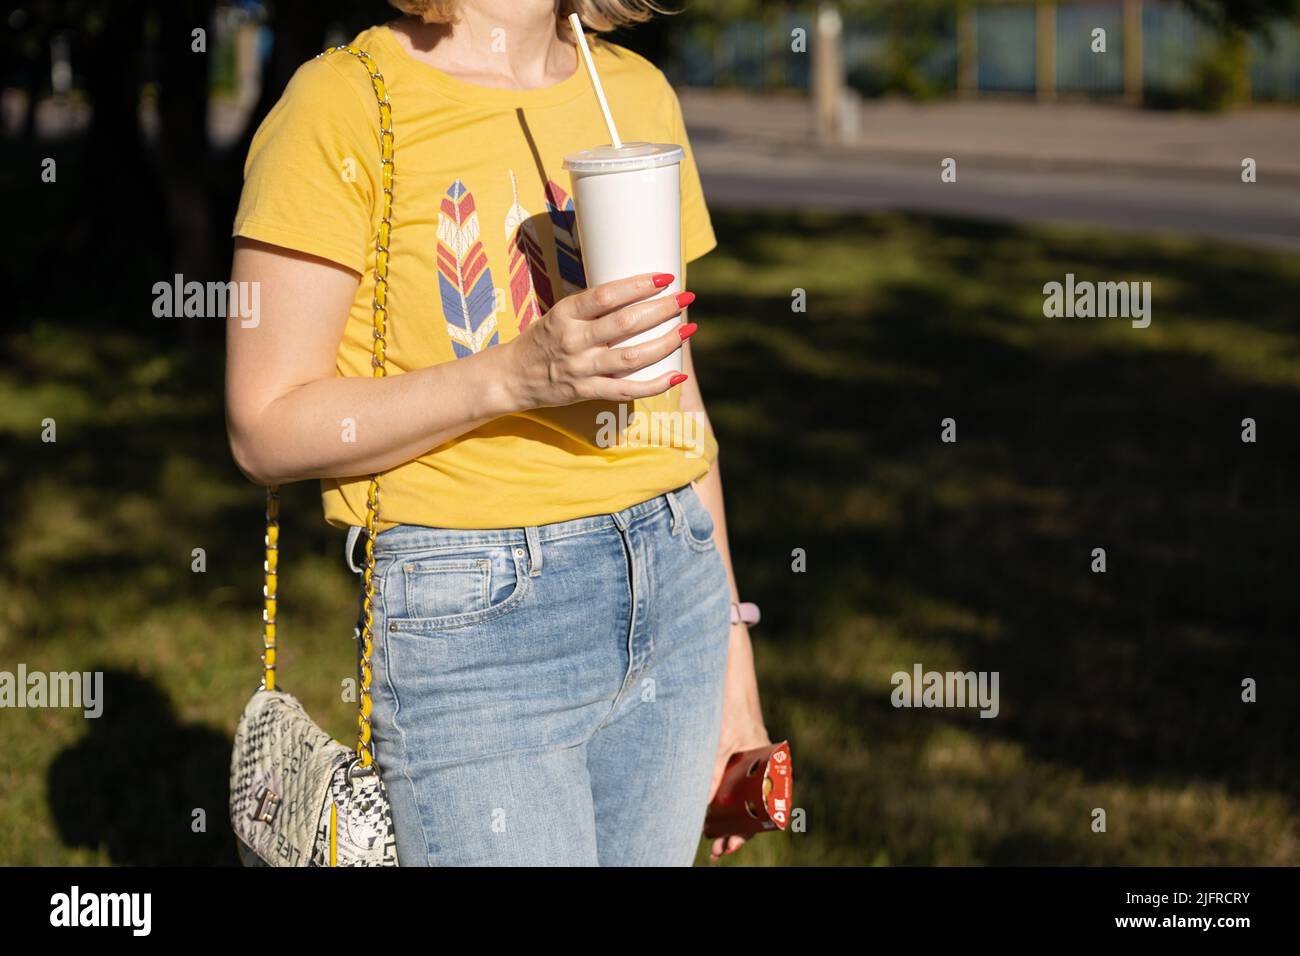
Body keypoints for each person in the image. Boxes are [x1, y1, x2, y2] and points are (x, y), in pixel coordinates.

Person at [225, 0, 769, 866]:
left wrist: (734, 666)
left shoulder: (636, 94)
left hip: (676, 585)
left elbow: (679, 403)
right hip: (477, 621)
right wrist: (514, 377)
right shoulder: (345, 104)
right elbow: (264, 427)